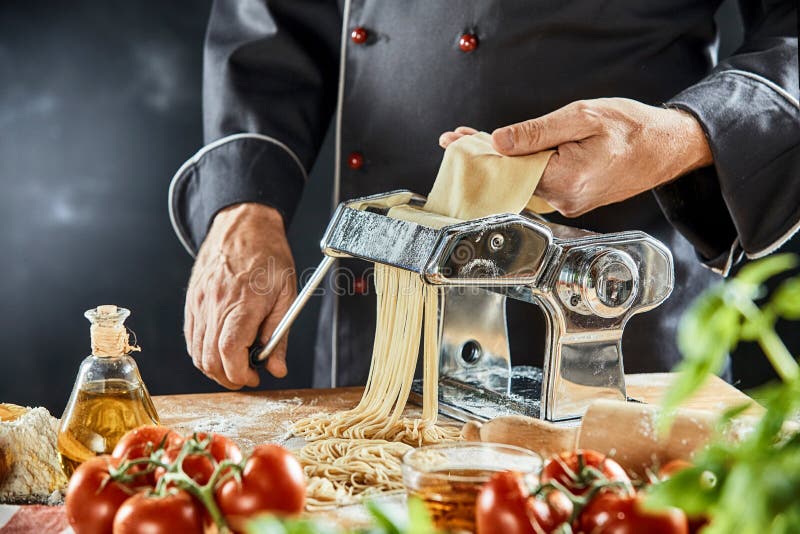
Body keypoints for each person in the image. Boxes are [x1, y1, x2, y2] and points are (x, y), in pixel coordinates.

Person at [170, 0, 799, 391]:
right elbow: (272, 19)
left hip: (609, 297)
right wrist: (242, 202)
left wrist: (678, 136)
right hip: (384, 306)